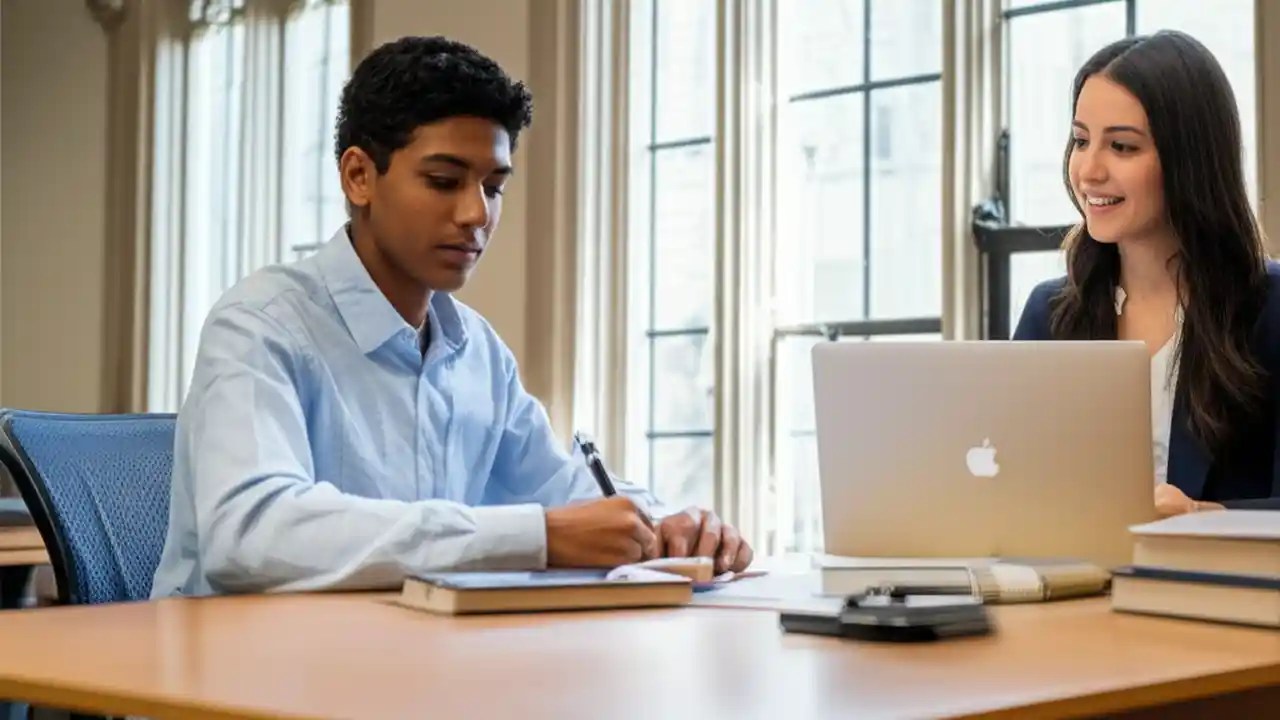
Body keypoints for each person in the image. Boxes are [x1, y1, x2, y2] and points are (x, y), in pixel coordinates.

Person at [151, 36, 752, 597]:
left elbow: (567, 490)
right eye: (444, 181)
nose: (475, 214)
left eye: (493, 187)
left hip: (408, 670)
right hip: (238, 686)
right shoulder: (260, 324)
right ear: (359, 176)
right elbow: (253, 534)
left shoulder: (476, 352)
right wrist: (539, 539)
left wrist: (665, 525)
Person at [1014, 30, 1280, 516]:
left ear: (1189, 160)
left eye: (1121, 146)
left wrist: (1205, 519)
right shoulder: (1047, 316)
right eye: (1080, 140)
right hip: (1080, 588)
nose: (1088, 170)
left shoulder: (1271, 309)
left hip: (1220, 589)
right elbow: (1007, 492)